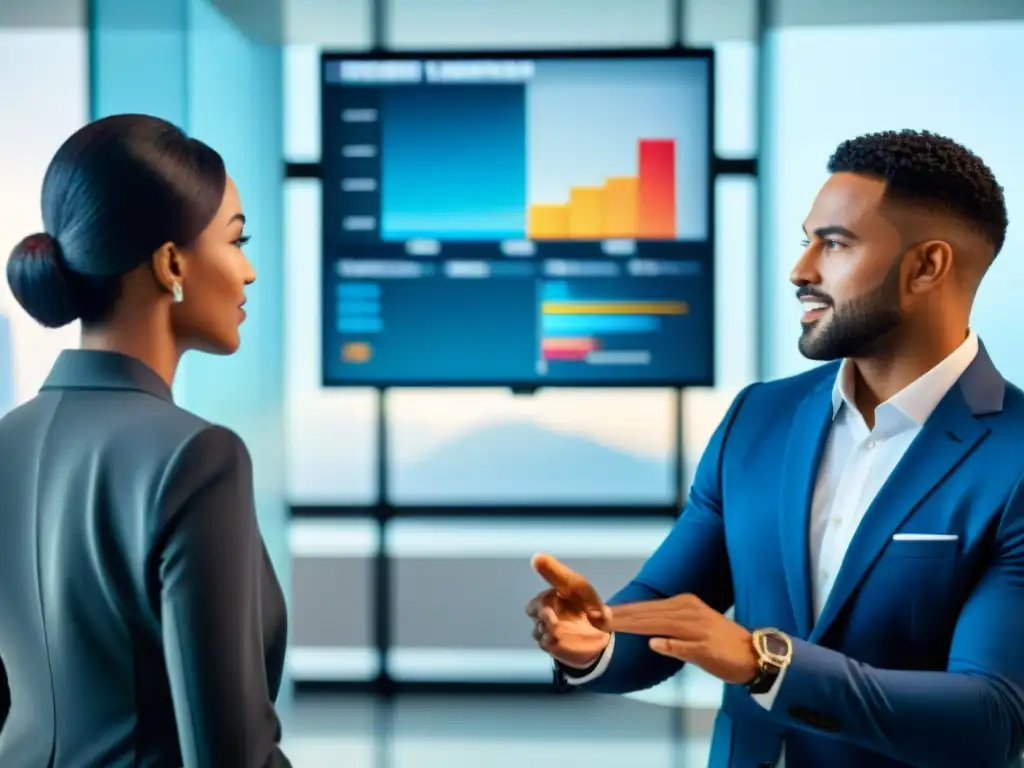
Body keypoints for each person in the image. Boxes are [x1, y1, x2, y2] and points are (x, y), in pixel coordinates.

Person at [526, 130, 1024, 768]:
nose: (802, 269)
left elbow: (992, 716)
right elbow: (666, 602)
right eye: (807, 239)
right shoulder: (757, 419)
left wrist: (763, 663)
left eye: (836, 243)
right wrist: (592, 640)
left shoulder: (1014, 457)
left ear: (926, 266)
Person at [0, 114, 291, 768]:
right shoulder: (198, 460)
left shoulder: (5, 443)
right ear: (171, 263)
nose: (246, 273)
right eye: (236, 241)